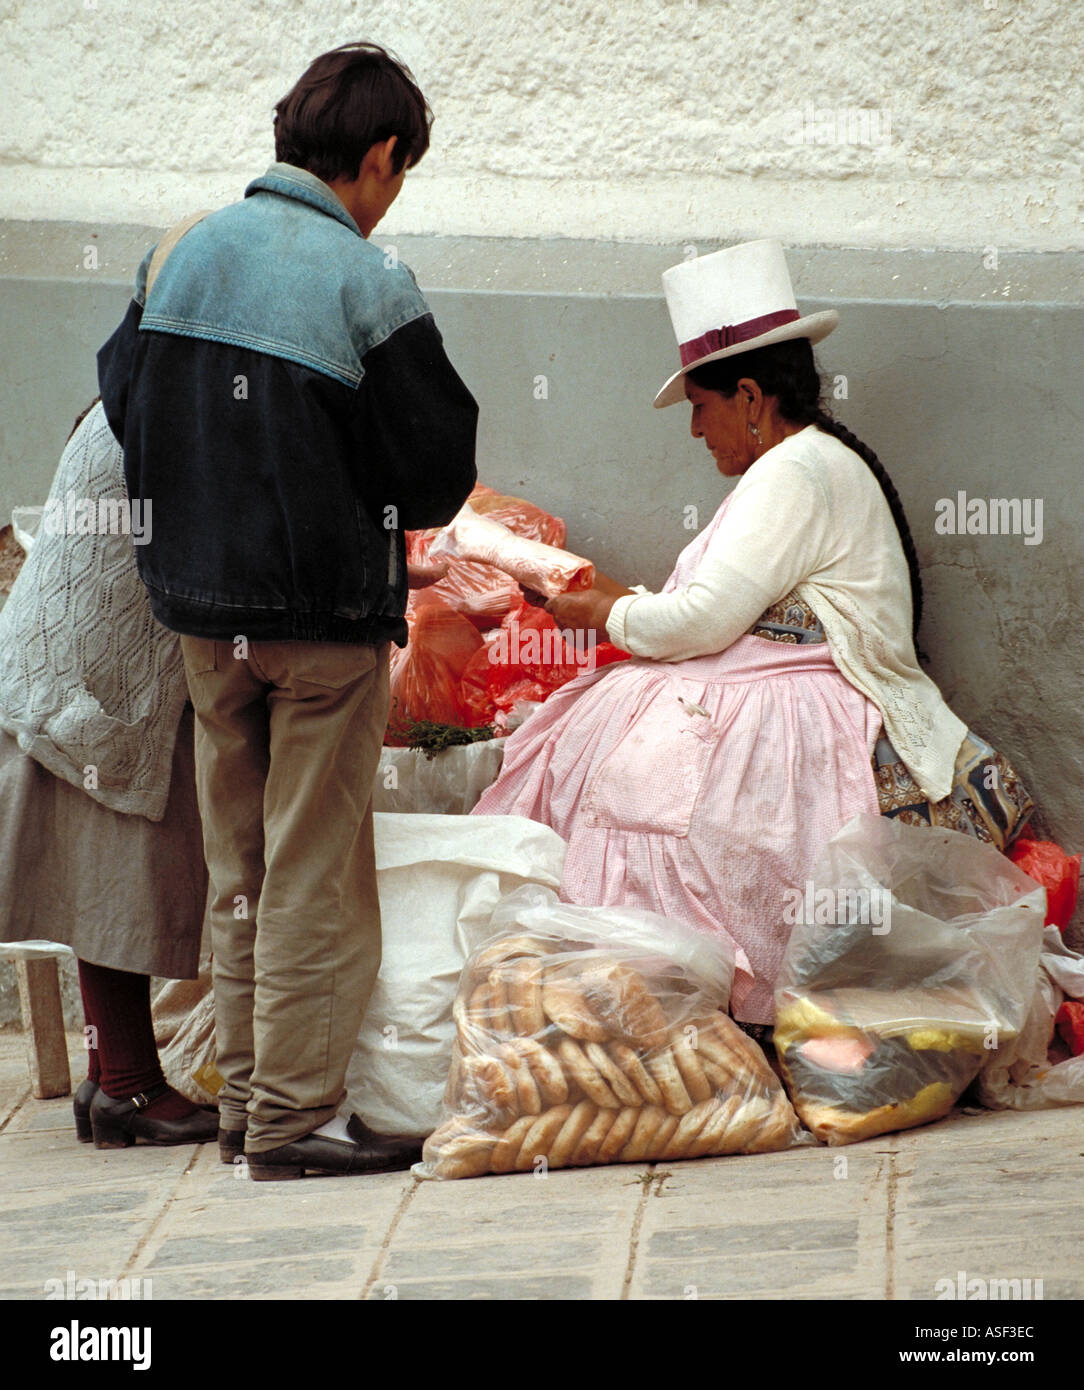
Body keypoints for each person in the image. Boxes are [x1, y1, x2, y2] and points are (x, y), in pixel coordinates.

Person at [473, 239, 1033, 1032]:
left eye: (700, 408)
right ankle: (620, 978)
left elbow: (703, 619)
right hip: (789, 681)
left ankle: (685, 987)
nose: (696, 432)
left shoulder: (797, 471)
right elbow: (710, 609)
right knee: (613, 723)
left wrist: (604, 612)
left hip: (835, 702)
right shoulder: (799, 466)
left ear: (747, 396)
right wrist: (621, 609)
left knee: (660, 773)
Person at [96, 42, 478, 1179]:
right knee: (313, 868)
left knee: (242, 865)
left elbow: (124, 403)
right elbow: (437, 468)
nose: (391, 196)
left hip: (206, 624)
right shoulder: (367, 280)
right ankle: (294, 1120)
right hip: (321, 627)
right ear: (374, 158)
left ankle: (245, 1103)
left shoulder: (180, 252)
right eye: (398, 171)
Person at [0, 400, 217, 1148]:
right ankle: (127, 1085)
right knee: (115, 874)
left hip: (68, 670)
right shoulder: (184, 411)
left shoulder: (138, 383)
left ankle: (111, 1074)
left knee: (98, 874)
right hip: (93, 686)